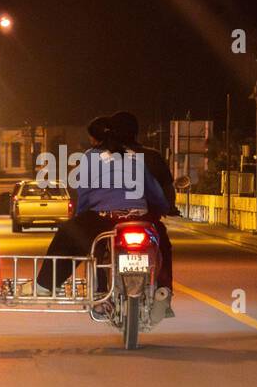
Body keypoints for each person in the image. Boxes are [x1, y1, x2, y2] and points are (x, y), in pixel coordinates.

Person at [34, 116, 169, 301]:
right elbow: (153, 189)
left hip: (106, 218)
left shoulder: (92, 156)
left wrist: (80, 216)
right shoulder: (133, 156)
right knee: (162, 244)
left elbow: (85, 192)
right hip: (139, 217)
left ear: (95, 139)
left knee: (68, 232)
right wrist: (163, 208)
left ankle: (46, 285)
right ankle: (163, 289)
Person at [108, 111, 176, 305]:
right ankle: (164, 290)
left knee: (99, 249)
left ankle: (99, 292)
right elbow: (168, 191)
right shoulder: (153, 156)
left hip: (113, 221)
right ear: (137, 133)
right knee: (163, 246)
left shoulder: (104, 158)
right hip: (148, 220)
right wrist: (169, 207)